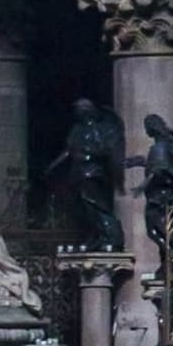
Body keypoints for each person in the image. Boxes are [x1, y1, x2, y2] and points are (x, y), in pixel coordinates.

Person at [46, 98, 125, 251]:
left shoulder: (96, 130)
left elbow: (104, 150)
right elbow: (68, 151)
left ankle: (111, 236)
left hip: (92, 172)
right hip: (78, 173)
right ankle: (95, 236)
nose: (78, 113)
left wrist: (88, 153)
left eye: (80, 110)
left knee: (96, 205)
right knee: (84, 207)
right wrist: (53, 166)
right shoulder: (77, 129)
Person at [125, 113, 173, 276]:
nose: (145, 130)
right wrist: (140, 162)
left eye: (146, 126)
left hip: (160, 197)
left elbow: (157, 170)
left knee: (155, 230)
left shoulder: (159, 147)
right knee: (161, 229)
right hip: (161, 194)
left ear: (151, 128)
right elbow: (160, 166)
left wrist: (142, 185)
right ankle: (171, 259)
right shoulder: (164, 145)